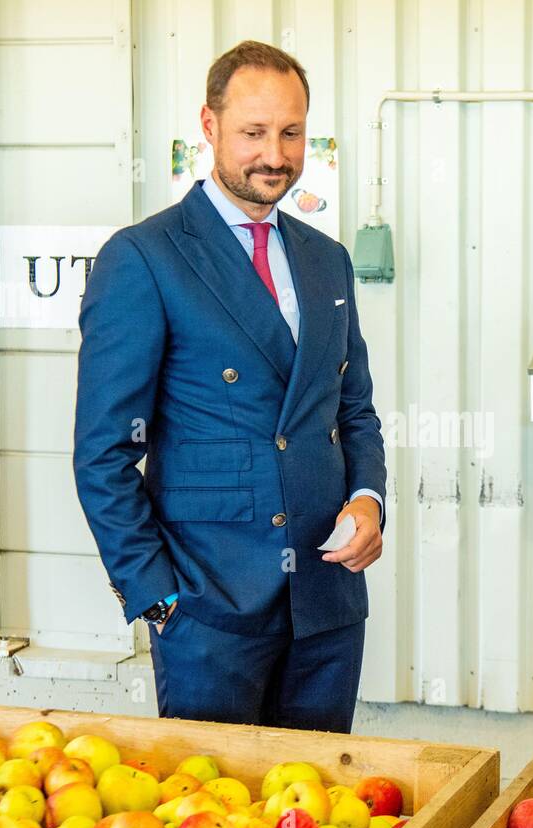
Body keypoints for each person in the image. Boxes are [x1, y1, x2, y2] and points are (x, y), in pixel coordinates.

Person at [73, 41, 386, 733]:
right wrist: (157, 597)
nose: (275, 154)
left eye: (292, 132)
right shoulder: (144, 258)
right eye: (253, 133)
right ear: (208, 127)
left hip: (327, 605)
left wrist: (369, 500)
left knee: (319, 824)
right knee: (212, 825)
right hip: (208, 613)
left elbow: (354, 409)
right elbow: (103, 453)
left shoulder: (326, 260)